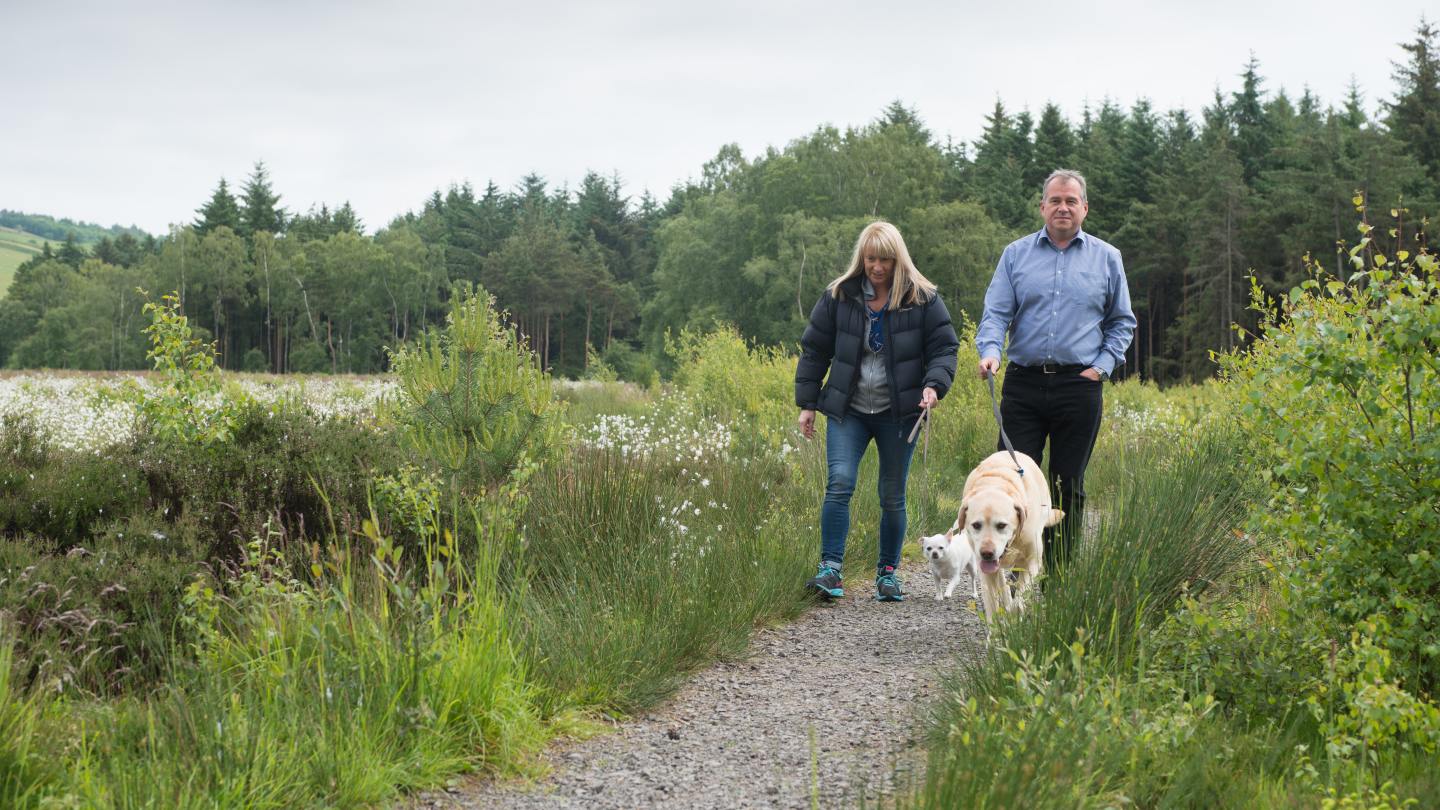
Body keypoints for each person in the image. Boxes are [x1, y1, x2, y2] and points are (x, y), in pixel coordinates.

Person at [974, 168, 1136, 573]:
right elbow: (995, 314)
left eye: (1071, 201)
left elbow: (1122, 322)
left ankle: (1057, 581)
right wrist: (991, 352)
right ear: (1043, 206)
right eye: (1055, 201)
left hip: (1079, 387)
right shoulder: (1015, 255)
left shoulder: (1107, 257)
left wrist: (1101, 367)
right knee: (1012, 482)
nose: (1063, 207)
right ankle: (1014, 576)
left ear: (1085, 208)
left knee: (1067, 486)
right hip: (1023, 385)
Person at [795, 221, 960, 601]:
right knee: (839, 483)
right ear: (862, 258)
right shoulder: (839, 296)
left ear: (898, 259)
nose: (877, 267)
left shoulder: (923, 299)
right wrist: (808, 403)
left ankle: (887, 574)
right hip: (847, 410)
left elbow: (944, 348)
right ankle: (830, 570)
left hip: (899, 413)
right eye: (871, 259)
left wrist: (934, 385)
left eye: (885, 259)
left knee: (892, 494)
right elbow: (815, 350)